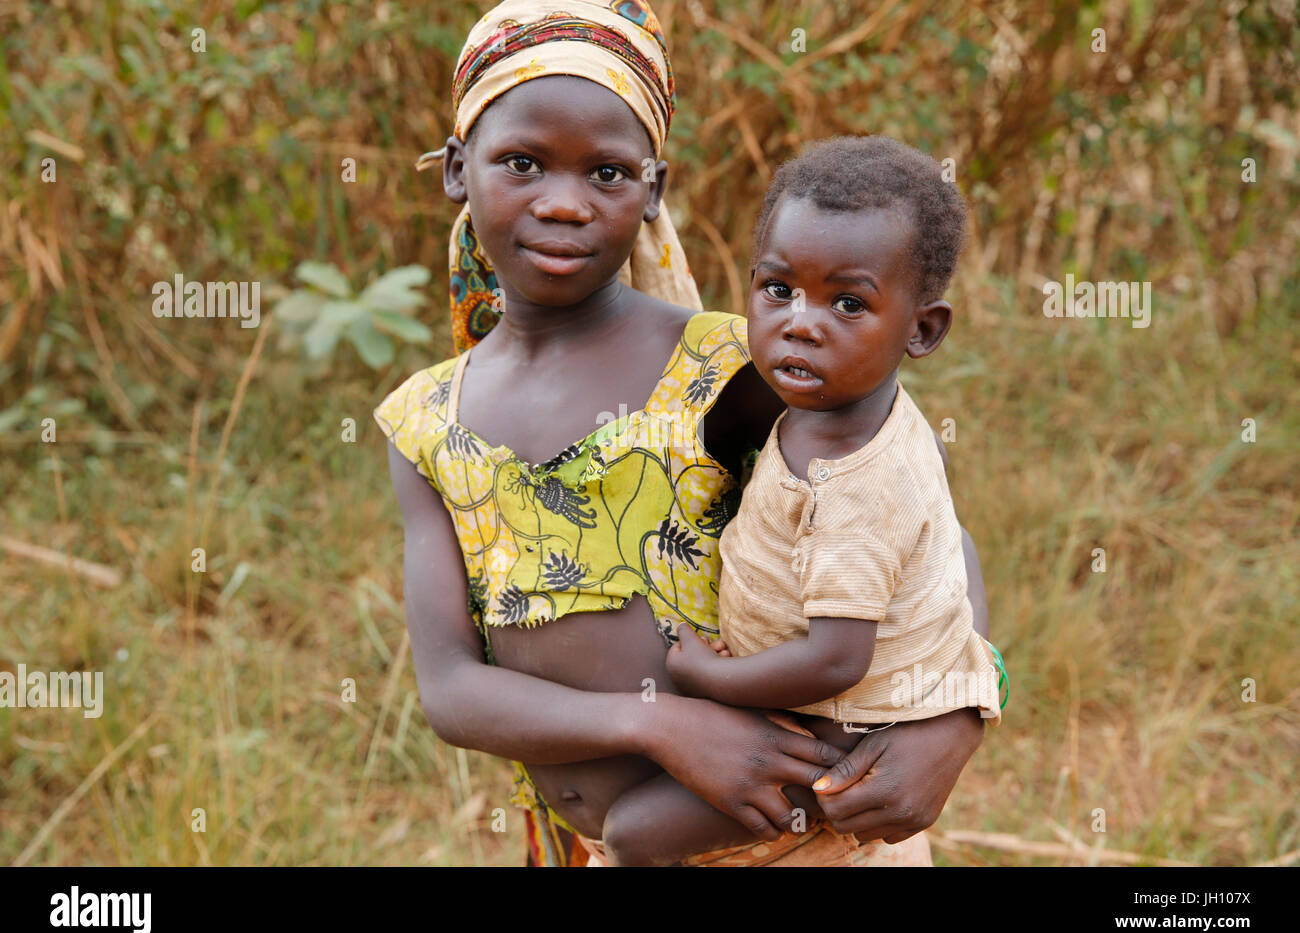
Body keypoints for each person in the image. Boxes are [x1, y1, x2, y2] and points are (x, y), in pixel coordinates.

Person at [376, 0, 1003, 866]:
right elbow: (451, 690)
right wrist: (663, 724)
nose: (563, 204)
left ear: (653, 189)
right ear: (456, 169)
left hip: (809, 847)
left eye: (606, 173)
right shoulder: (426, 423)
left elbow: (927, 530)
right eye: (522, 163)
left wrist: (961, 713)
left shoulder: (729, 368)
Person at [598, 136, 1006, 866]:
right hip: (822, 707)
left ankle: (821, 813)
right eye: (778, 289)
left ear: (923, 330)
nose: (801, 321)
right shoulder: (831, 412)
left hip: (837, 732)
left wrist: (708, 679)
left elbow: (834, 660)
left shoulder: (852, 485)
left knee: (634, 834)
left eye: (847, 302)